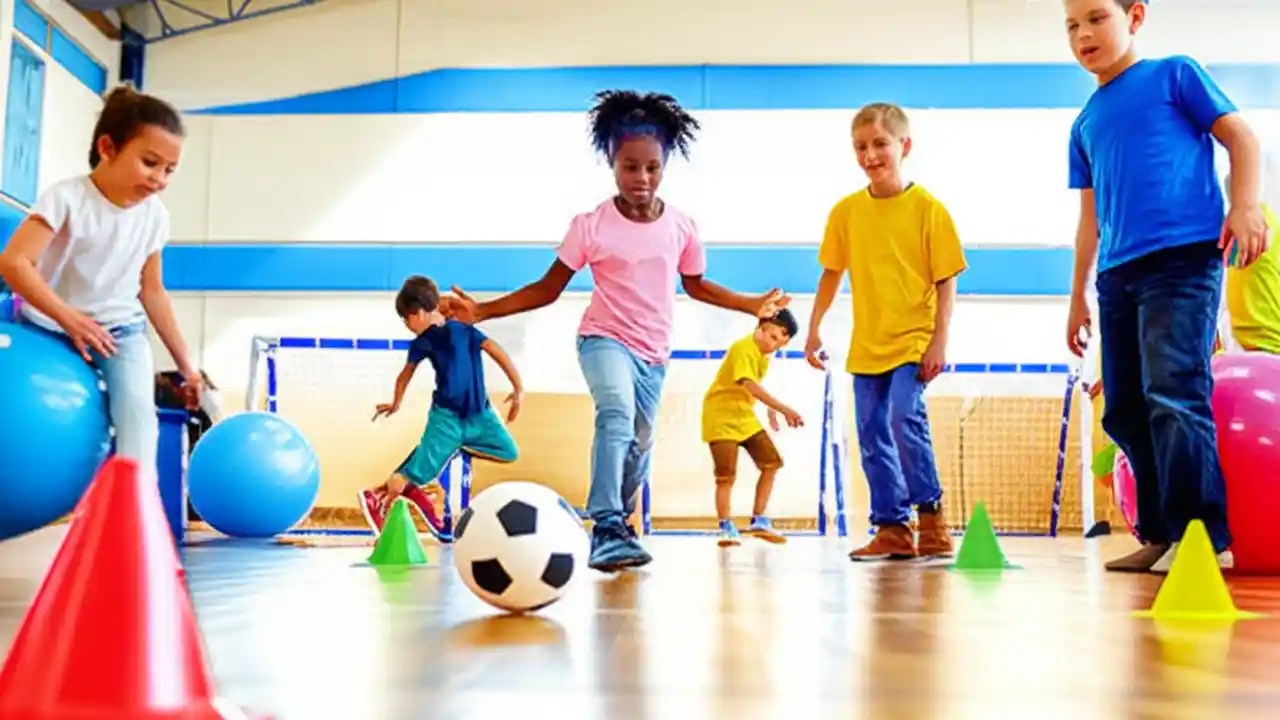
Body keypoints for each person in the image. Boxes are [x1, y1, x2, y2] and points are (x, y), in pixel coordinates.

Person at [444, 90, 788, 572]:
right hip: (603, 340)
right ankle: (604, 522)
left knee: (641, 440)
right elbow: (547, 288)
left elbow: (696, 285)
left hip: (653, 353)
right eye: (630, 167)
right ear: (612, 162)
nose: (641, 178)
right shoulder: (591, 226)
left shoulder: (682, 227)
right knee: (618, 415)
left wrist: (750, 304)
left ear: (664, 164)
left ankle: (619, 520)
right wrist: (481, 311)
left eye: (652, 167)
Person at [1062, 0, 1270, 573]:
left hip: (1182, 260)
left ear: (1135, 16)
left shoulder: (1174, 74)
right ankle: (1158, 530)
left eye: (1097, 18)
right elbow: (1090, 218)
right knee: (1124, 408)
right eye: (1072, 25)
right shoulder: (1084, 123)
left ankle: (1203, 538)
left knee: (1174, 392)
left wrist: (1245, 204)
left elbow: (1243, 140)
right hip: (1117, 275)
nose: (1084, 34)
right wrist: (1078, 294)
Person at [0, 85, 200, 475]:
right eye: (149, 162)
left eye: (169, 170)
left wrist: (187, 367)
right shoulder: (66, 199)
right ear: (107, 148)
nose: (159, 178)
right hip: (47, 327)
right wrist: (67, 318)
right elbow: (14, 262)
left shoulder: (155, 216)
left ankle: (130, 510)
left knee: (139, 419)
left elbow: (153, 292)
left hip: (117, 332)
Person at [805, 102, 965, 561]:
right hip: (868, 344)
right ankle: (892, 528)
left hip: (914, 339)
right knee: (871, 431)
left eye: (880, 144)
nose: (870, 154)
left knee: (902, 416)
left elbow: (946, 279)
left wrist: (939, 341)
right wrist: (813, 329)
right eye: (861, 147)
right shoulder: (846, 213)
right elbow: (831, 273)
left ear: (904, 146)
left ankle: (931, 516)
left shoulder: (928, 209)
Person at [359, 275, 522, 541]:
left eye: (406, 319)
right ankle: (376, 498)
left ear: (418, 313)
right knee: (415, 475)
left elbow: (496, 351)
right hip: (445, 419)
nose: (407, 325)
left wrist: (519, 388)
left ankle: (452, 448)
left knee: (509, 452)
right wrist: (396, 401)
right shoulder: (423, 342)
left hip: (480, 414)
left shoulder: (464, 329)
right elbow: (405, 374)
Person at [702, 309, 804, 547]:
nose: (774, 345)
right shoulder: (742, 348)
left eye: (780, 343)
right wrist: (782, 408)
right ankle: (725, 526)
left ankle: (759, 519)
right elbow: (748, 383)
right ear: (762, 326)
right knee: (726, 475)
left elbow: (754, 385)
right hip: (720, 416)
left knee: (771, 462)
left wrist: (769, 409)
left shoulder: (761, 354)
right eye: (774, 337)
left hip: (743, 417)